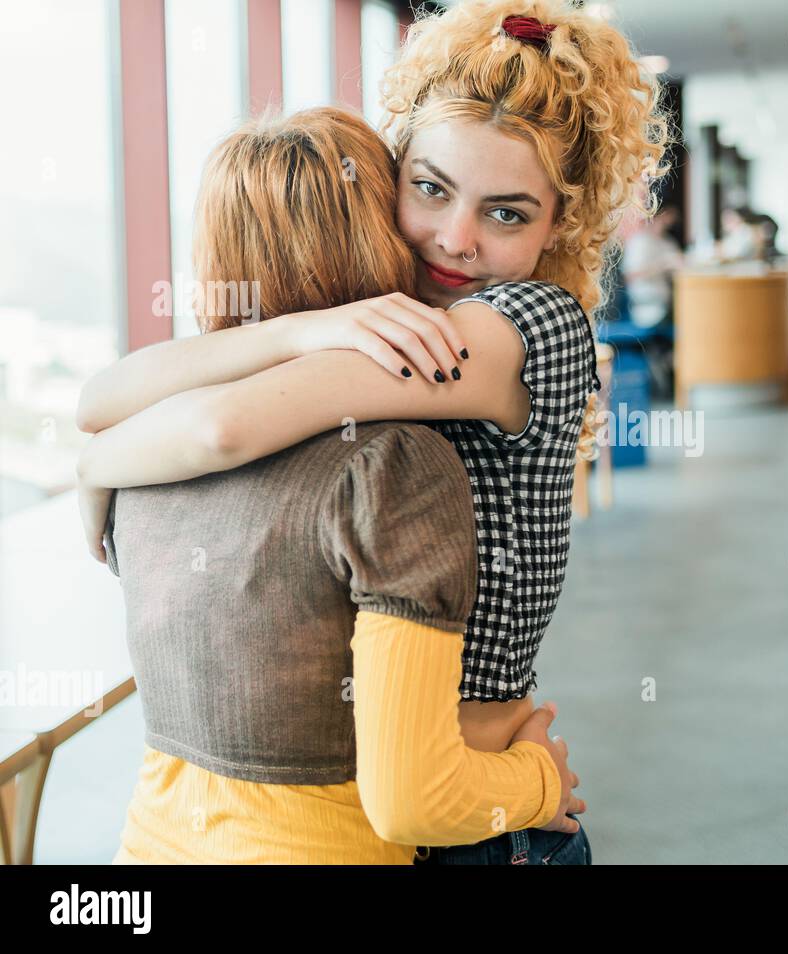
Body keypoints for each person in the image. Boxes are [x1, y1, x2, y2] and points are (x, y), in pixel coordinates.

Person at [76, 0, 669, 864]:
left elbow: (216, 426)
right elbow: (104, 395)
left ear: (559, 228)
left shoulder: (520, 325)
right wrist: (296, 330)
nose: (455, 239)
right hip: (394, 816)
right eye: (430, 188)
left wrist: (97, 463)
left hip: (480, 820)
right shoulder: (391, 320)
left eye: (507, 214)